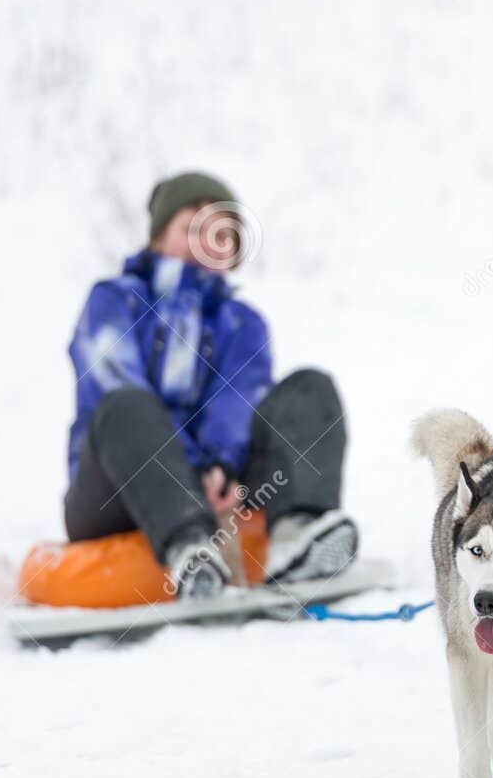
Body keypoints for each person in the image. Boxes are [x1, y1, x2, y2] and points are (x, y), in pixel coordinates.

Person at [64, 170, 357, 598]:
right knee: (126, 406)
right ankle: (189, 550)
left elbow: (239, 399)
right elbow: (110, 380)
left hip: (220, 490)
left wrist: (220, 466)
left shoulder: (244, 324)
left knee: (309, 389)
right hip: (115, 491)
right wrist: (192, 473)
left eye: (220, 234)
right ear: (159, 238)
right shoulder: (112, 301)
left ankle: (297, 536)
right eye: (190, 229)